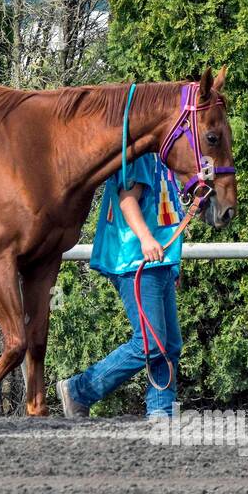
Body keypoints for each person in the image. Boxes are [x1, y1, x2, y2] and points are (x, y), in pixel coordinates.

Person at [56, 142, 185, 420]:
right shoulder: (140, 153)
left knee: (169, 344)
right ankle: (80, 390)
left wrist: (173, 262)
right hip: (137, 260)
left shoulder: (163, 156)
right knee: (150, 343)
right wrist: (146, 239)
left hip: (160, 261)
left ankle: (160, 409)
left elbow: (165, 210)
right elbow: (127, 199)